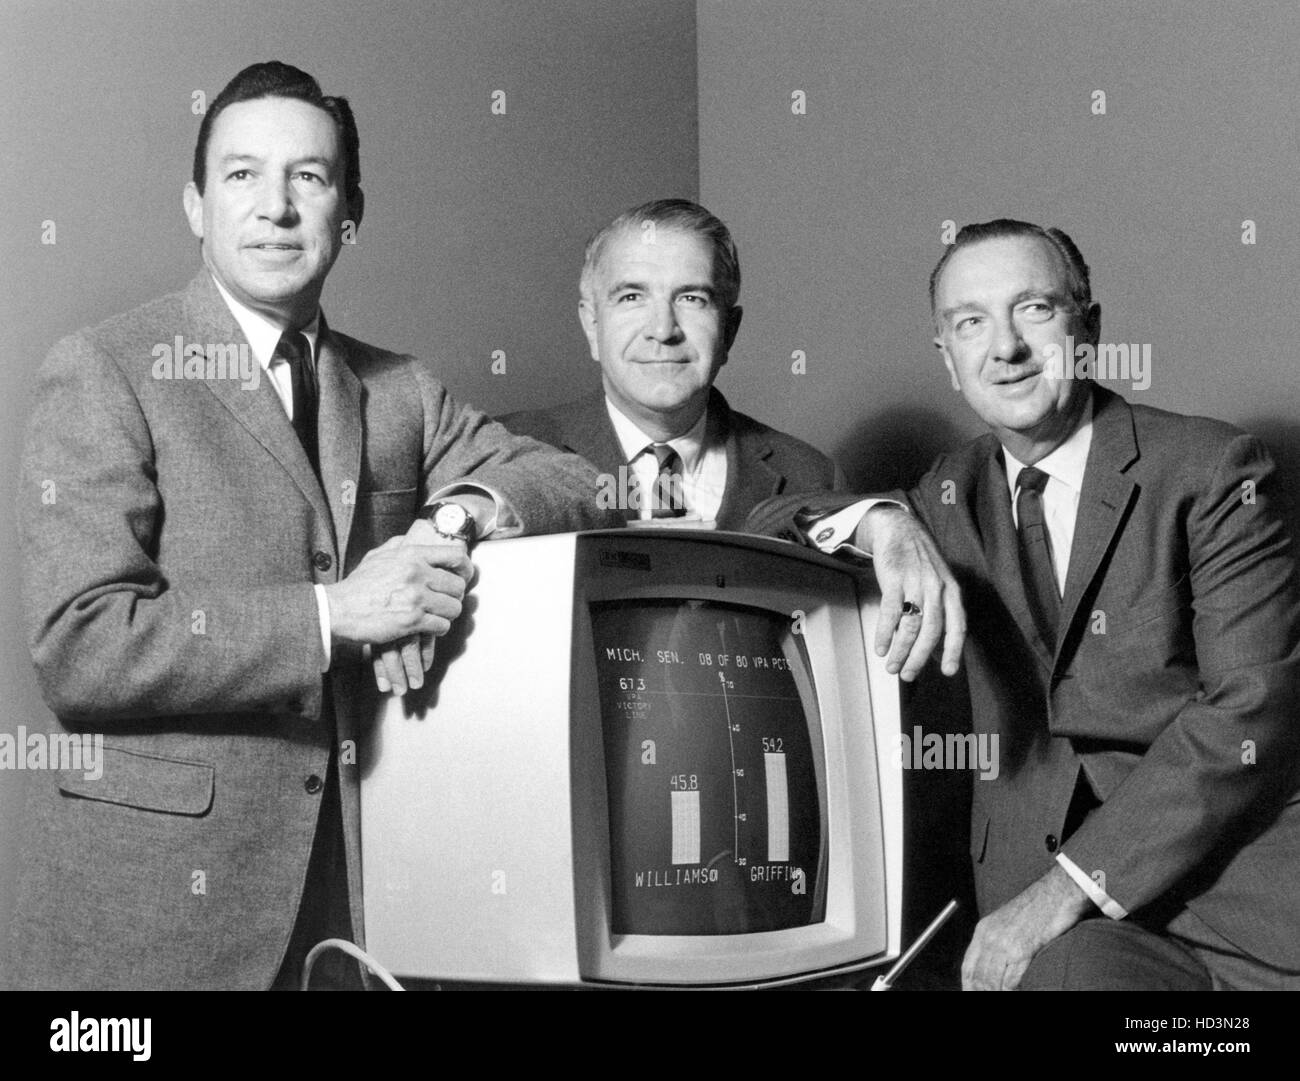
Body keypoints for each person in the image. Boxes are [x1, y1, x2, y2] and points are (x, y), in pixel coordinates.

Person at [5, 61, 618, 990]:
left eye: (310, 178)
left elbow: (567, 478)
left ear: (350, 214)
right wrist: (338, 616)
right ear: (196, 206)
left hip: (351, 912)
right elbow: (80, 644)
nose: (276, 207)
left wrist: (444, 528)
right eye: (243, 175)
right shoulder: (104, 368)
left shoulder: (395, 387)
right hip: (153, 925)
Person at [750, 219, 1300, 990]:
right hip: (1074, 942)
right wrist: (885, 524)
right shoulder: (949, 493)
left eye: (1034, 309)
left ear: (1090, 328)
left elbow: (1253, 705)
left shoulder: (1211, 469)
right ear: (949, 359)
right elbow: (770, 517)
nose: (1003, 347)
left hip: (1240, 917)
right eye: (970, 323)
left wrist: (1062, 890)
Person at [500, 199, 844, 529]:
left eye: (692, 298)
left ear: (729, 331)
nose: (663, 330)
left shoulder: (811, 477)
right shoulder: (504, 451)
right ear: (592, 325)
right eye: (632, 297)